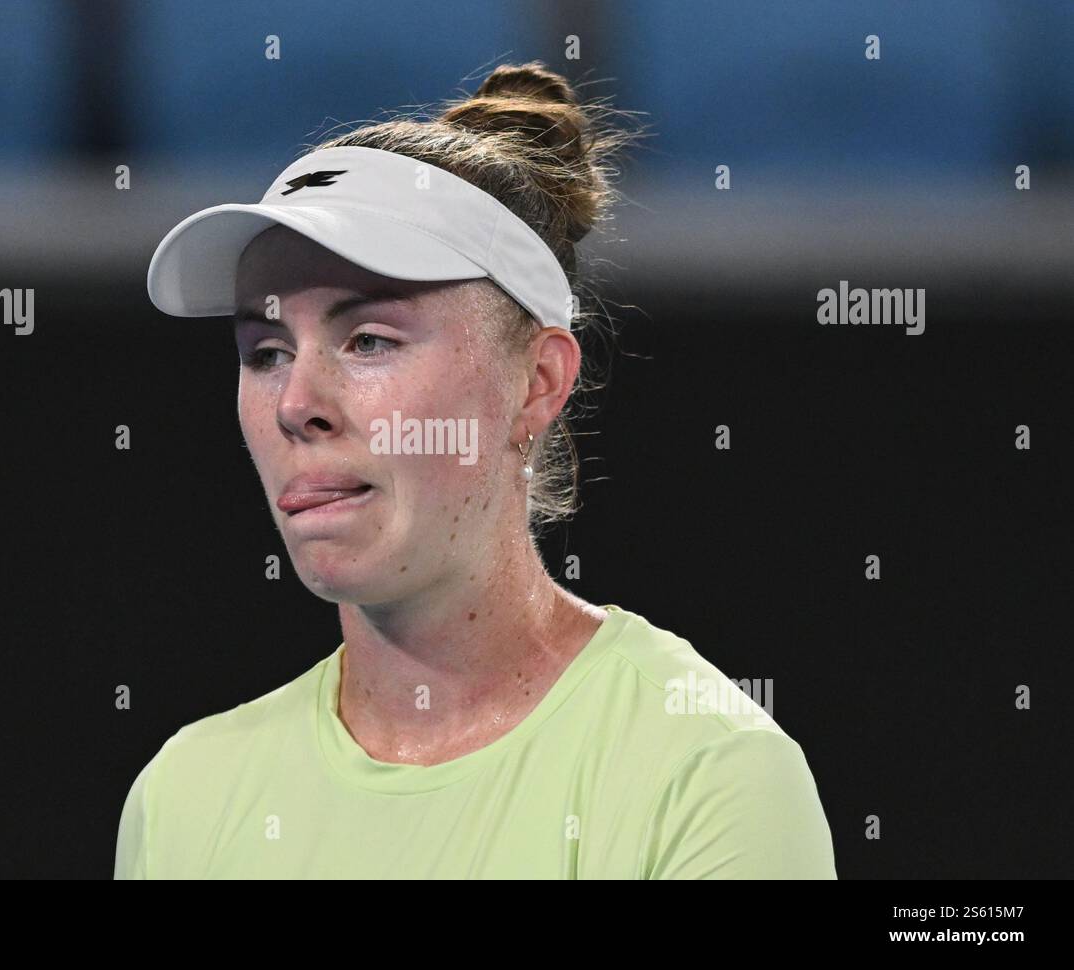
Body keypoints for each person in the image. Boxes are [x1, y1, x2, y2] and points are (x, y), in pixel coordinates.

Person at [116, 61, 837, 879]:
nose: (295, 403)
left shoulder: (710, 773)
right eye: (266, 351)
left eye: (369, 342)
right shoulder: (185, 796)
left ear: (538, 383)